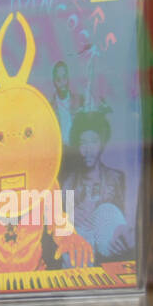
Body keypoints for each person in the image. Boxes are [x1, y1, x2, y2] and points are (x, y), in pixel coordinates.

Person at [61, 110, 131, 262]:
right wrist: (69, 218)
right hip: (80, 260)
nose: (88, 149)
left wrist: (120, 240)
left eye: (93, 141)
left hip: (112, 261)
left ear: (102, 143)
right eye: (82, 143)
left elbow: (124, 222)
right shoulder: (68, 184)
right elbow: (61, 227)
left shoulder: (117, 179)